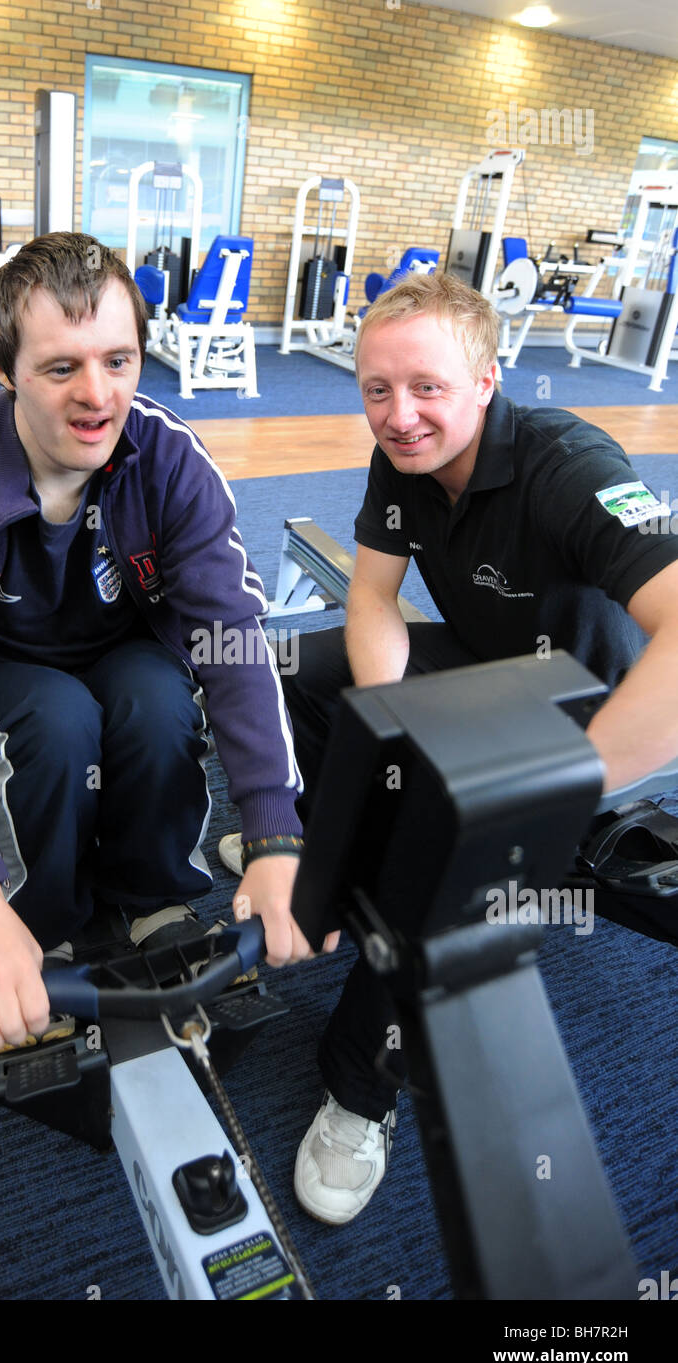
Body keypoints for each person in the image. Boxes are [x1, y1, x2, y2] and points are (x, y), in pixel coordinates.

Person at [269, 271, 678, 1225]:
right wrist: (388, 728)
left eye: (427, 388)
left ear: (487, 381)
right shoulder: (402, 459)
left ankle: (360, 1092)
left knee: (439, 828)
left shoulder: (569, 466)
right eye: (377, 390)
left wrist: (561, 786)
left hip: (579, 709)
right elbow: (371, 600)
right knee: (292, 668)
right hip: (483, 666)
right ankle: (338, 862)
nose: (399, 415)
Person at [0, 232, 328, 1059]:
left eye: (119, 360)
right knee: (57, 718)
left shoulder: (173, 459)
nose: (98, 396)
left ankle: (151, 894)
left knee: (154, 701)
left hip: (120, 651)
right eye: (61, 368)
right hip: (0, 669)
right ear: (5, 371)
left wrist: (275, 833)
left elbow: (230, 637)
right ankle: (40, 926)